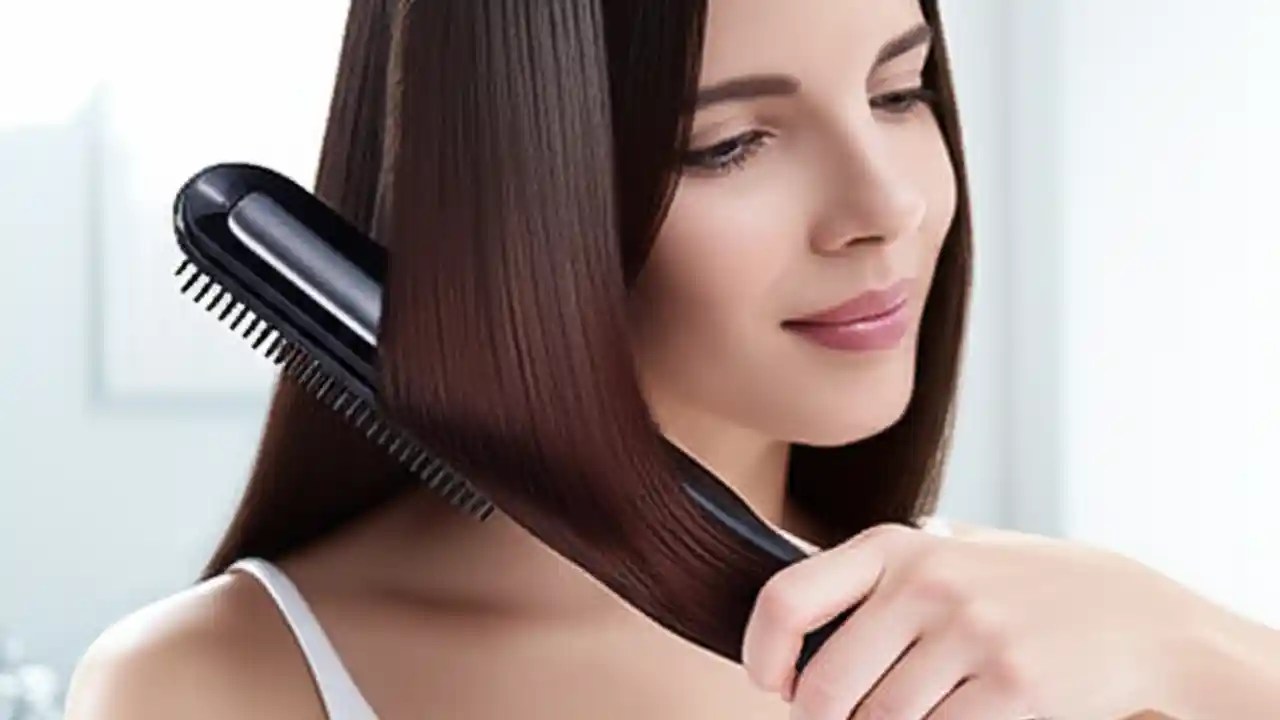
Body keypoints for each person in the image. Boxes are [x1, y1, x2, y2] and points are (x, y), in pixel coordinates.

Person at [64, 0, 1280, 718]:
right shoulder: (218, 685)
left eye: (900, 93)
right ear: (516, 196)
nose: (883, 208)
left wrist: (1194, 647)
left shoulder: (1025, 652)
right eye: (732, 143)